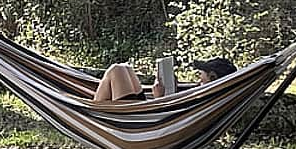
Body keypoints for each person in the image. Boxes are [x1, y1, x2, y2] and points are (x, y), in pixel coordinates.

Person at [92, 56, 238, 102]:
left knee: (116, 70)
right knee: (124, 67)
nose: (199, 78)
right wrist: (172, 89)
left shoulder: (205, 98)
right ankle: (95, 115)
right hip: (143, 115)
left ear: (212, 77)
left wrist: (158, 98)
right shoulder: (209, 96)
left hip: (140, 124)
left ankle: (94, 118)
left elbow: (171, 116)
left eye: (202, 74)